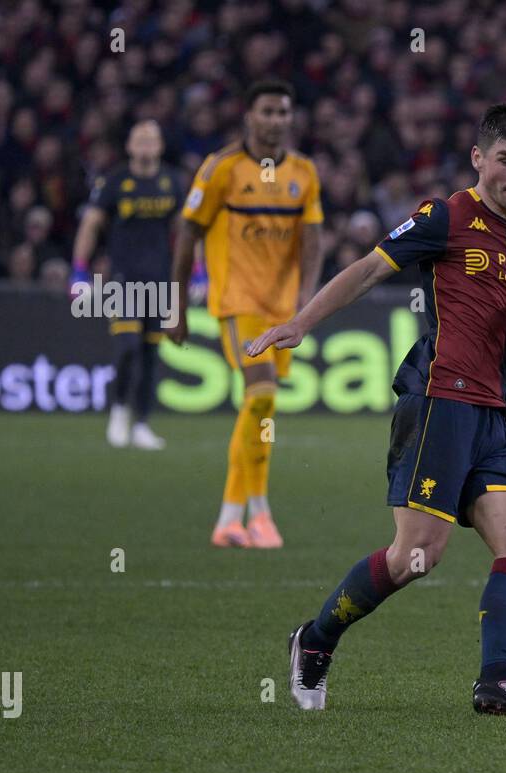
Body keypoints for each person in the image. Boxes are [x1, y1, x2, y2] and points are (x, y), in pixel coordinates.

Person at [247, 103, 506, 714]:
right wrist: (301, 322)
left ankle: (498, 682)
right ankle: (316, 638)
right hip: (440, 400)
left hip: (492, 415)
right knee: (416, 555)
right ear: (479, 160)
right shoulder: (447, 216)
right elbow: (366, 270)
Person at [168, 80, 324, 549]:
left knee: (263, 407)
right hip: (238, 304)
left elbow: (313, 241)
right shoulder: (221, 169)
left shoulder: (303, 173)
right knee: (260, 397)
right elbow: (187, 234)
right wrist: (175, 307)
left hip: (283, 313)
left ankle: (242, 518)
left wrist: (307, 301)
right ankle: (246, 514)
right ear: (248, 117)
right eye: (268, 111)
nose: (277, 120)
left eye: (283, 112)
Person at [72, 120, 182, 449]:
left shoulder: (172, 182)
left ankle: (142, 425)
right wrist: (79, 270)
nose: (146, 146)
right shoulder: (115, 181)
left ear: (160, 146)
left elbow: (187, 231)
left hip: (160, 282)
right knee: (128, 349)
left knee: (150, 354)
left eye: (152, 140)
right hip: (124, 281)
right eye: (140, 140)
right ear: (130, 146)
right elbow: (91, 224)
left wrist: (199, 271)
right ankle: (119, 411)